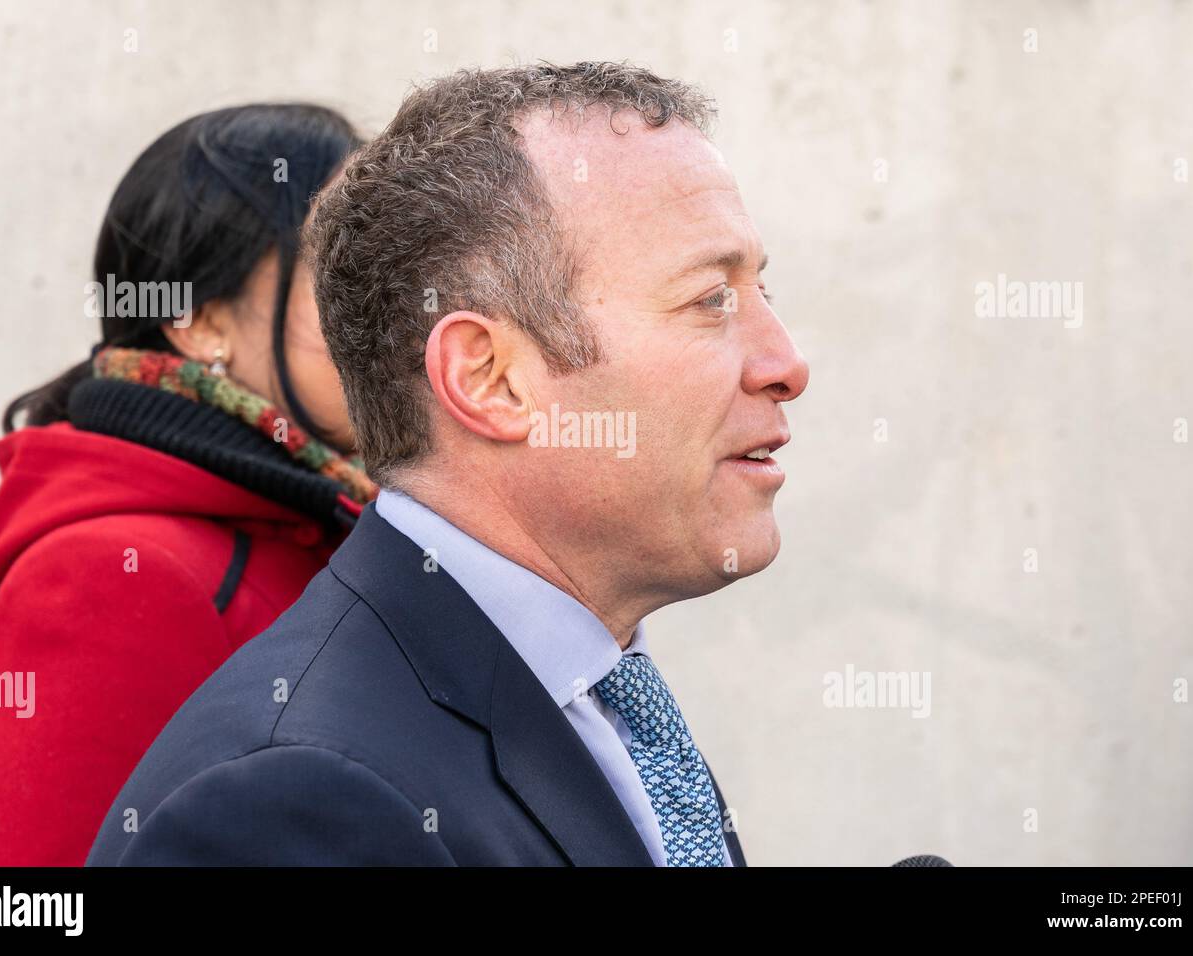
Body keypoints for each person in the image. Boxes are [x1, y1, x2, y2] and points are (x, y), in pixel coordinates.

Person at [87, 62, 808, 867]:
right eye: (711, 299)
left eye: (762, 291)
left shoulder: (602, 696)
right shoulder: (296, 802)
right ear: (489, 380)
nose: (786, 363)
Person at [0, 103, 374, 866]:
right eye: (344, 270)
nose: (391, 314)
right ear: (199, 320)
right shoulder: (101, 578)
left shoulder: (320, 518)